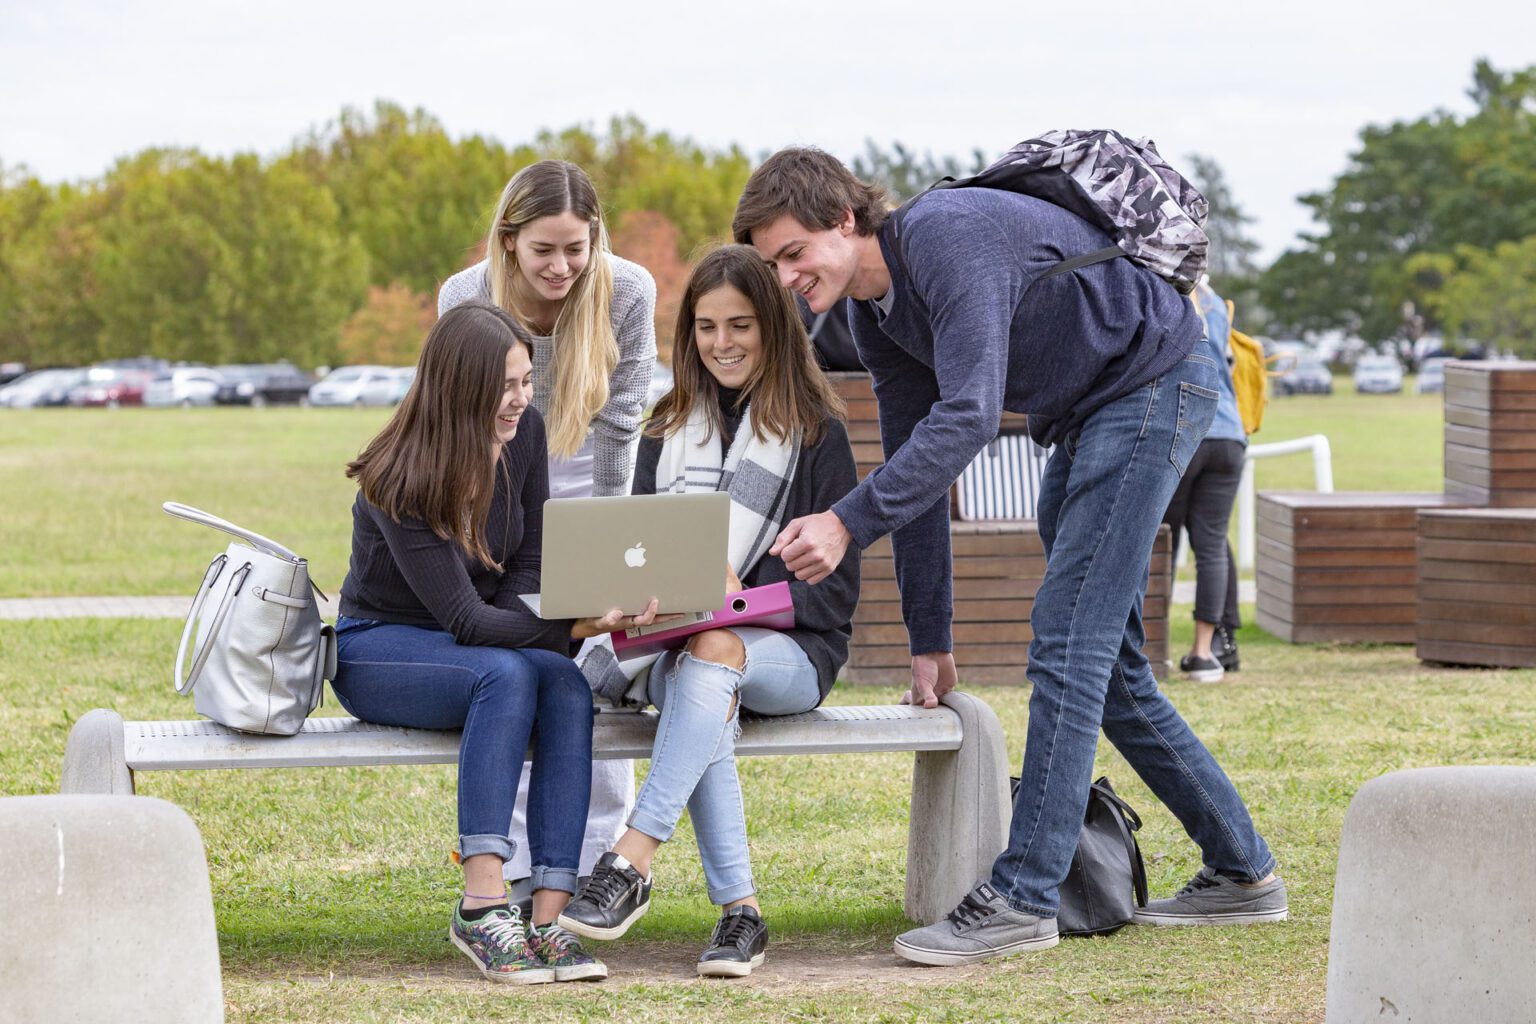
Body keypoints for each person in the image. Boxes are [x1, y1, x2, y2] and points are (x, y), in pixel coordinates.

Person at [733, 148, 1285, 966]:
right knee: (1113, 667)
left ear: (843, 220)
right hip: (1094, 411)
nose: (784, 279)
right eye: (770, 264)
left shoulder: (948, 240)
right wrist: (930, 638)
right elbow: (920, 460)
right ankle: (1244, 873)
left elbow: (968, 416)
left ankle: (1024, 897)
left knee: (1069, 641)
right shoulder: (869, 318)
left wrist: (845, 522)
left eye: (793, 254)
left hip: (1153, 388)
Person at [332, 303, 665, 984]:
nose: (520, 400)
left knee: (563, 682)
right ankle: (483, 905)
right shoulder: (398, 475)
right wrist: (576, 627)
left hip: (480, 646)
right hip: (379, 648)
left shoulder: (526, 434)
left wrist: (563, 628)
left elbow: (527, 569)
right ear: (460, 389)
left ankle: (548, 917)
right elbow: (465, 620)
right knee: (509, 676)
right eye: (505, 387)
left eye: (524, 382)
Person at [555, 245, 861, 977]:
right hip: (673, 652)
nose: (721, 343)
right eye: (705, 326)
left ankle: (631, 861)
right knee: (707, 670)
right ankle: (741, 916)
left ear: (774, 330)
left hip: (795, 654)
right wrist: (645, 599)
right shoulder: (664, 429)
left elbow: (834, 595)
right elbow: (633, 550)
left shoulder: (817, 432)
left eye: (741, 325)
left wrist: (737, 596)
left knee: (718, 647)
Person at [438, 160, 658, 901]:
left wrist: (603, 551)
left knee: (590, 664)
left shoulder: (627, 290)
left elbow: (623, 420)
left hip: (591, 474)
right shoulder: (464, 298)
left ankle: (594, 858)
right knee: (523, 653)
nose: (562, 266)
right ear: (508, 242)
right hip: (496, 485)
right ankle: (518, 859)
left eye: (577, 247)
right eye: (544, 251)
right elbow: (456, 427)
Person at [1162, 279, 1247, 681]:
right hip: (1230, 434)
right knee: (1211, 544)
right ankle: (1203, 654)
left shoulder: (1166, 295)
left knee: (1162, 541)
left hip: (1188, 428)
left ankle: (1150, 646)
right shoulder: (1216, 304)